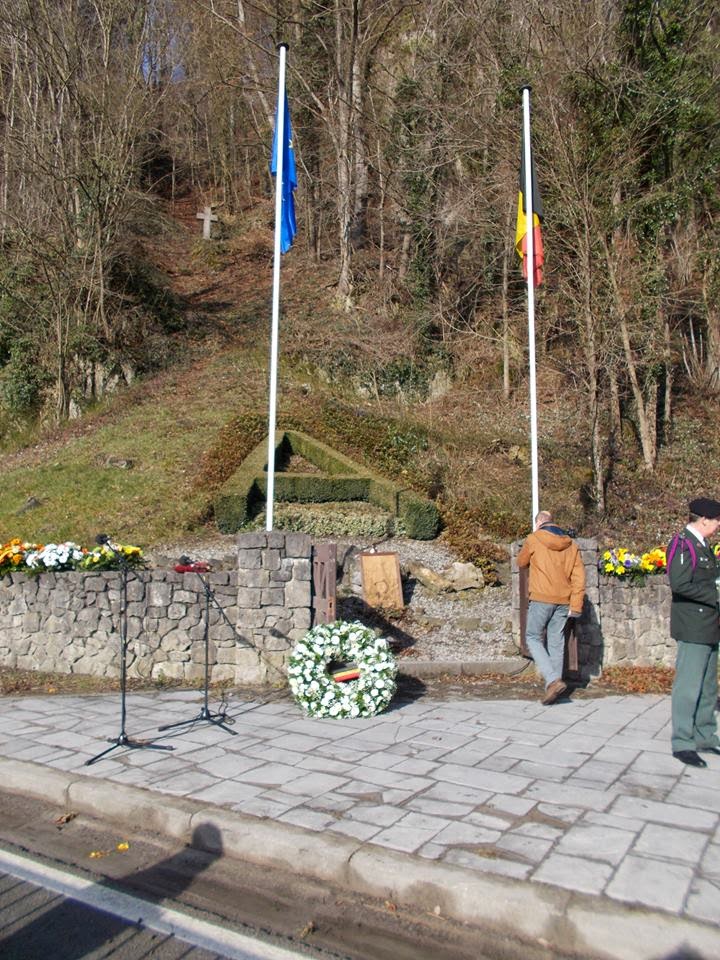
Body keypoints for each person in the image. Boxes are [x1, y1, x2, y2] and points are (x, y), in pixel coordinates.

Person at [667, 497, 720, 768]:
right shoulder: (683, 543)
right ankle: (683, 743)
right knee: (688, 686)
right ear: (704, 519)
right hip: (693, 624)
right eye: (717, 520)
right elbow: (679, 584)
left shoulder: (703, 545)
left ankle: (705, 736)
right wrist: (715, 593)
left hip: (709, 624)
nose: (719, 525)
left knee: (709, 687)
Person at [517, 510, 586, 704]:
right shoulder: (571, 545)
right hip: (564, 601)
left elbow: (521, 562)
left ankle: (553, 680)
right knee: (557, 642)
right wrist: (577, 605)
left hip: (541, 597)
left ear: (538, 523)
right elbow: (579, 577)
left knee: (532, 637)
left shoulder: (534, 538)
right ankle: (553, 689)